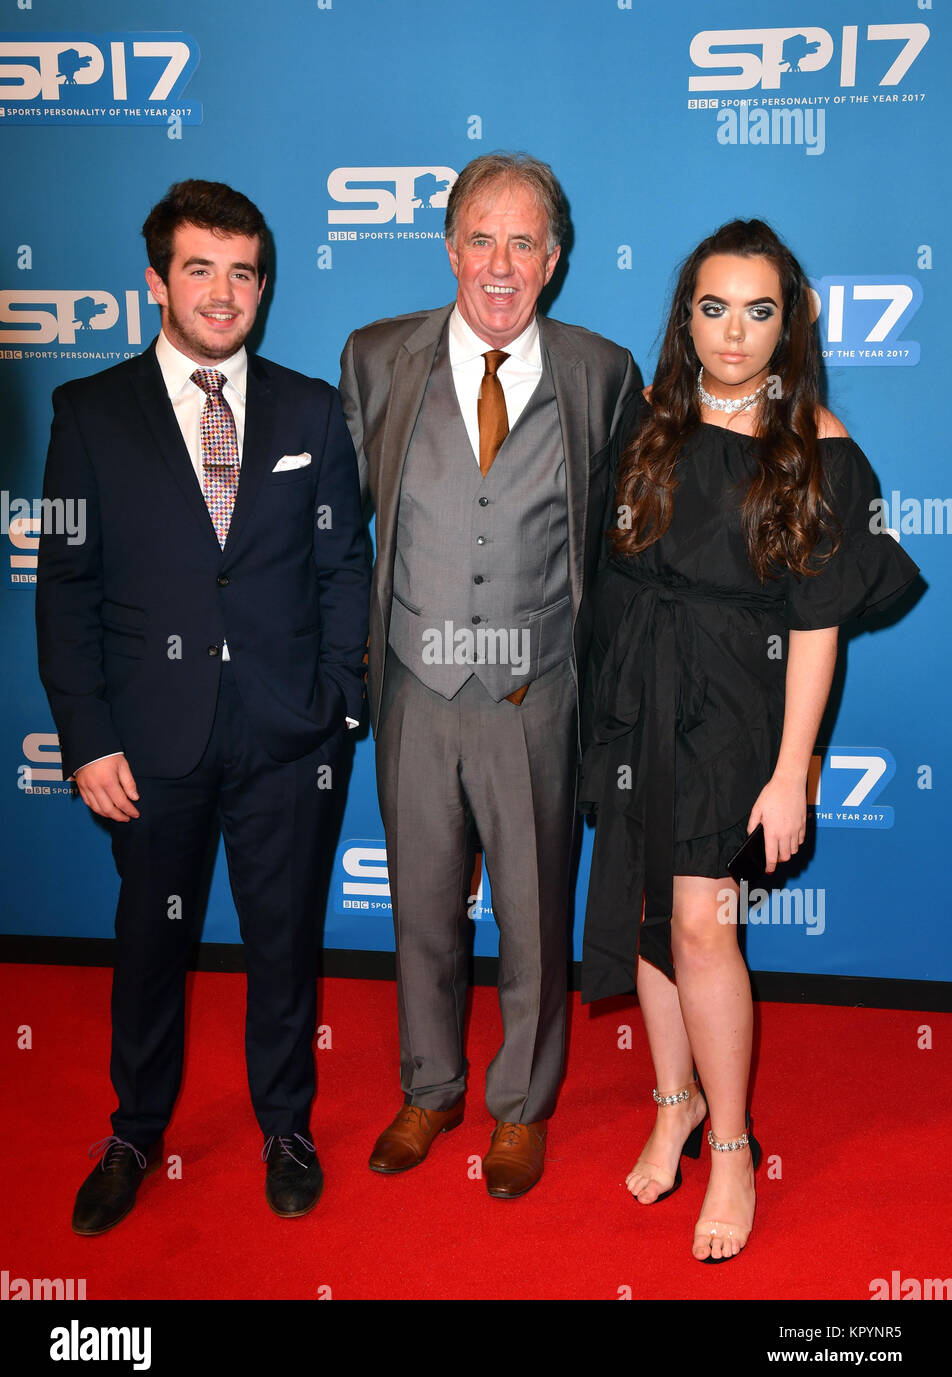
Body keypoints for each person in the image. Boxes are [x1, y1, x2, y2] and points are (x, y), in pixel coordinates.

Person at [35, 179, 370, 1233]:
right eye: (199, 269)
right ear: (155, 283)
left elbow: (342, 567)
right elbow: (65, 585)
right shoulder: (87, 414)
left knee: (283, 942)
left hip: (287, 738)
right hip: (150, 742)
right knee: (151, 945)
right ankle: (135, 1129)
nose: (223, 294)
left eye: (242, 272)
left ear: (262, 286)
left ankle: (286, 1124)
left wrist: (339, 703)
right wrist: (86, 737)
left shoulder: (312, 407)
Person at [579, 219, 917, 1260]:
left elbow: (818, 626)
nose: (734, 332)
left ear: (791, 320)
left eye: (758, 309)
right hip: (635, 695)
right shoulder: (649, 422)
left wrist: (790, 773)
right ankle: (672, 1100)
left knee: (700, 927)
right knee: (649, 914)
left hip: (737, 711)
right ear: (687, 316)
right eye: (714, 307)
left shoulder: (816, 446)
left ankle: (730, 1145)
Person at [339, 152, 637, 1197]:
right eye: (481, 238)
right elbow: (339, 533)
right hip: (415, 688)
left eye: (523, 242)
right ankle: (429, 1087)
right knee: (421, 907)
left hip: (534, 689)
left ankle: (520, 1104)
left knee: (533, 910)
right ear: (449, 246)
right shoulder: (377, 359)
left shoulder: (601, 372)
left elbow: (621, 544)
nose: (499, 264)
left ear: (552, 261)